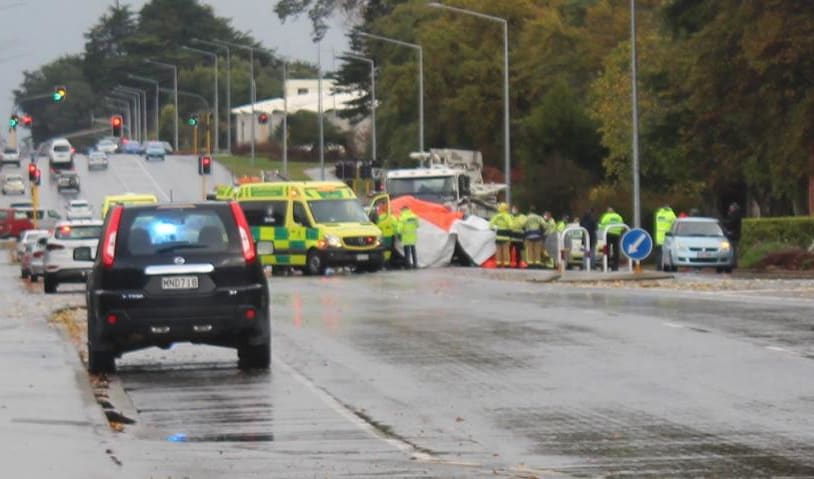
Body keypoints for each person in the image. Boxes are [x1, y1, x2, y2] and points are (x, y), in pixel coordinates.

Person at [489, 202, 513, 268]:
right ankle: (506, 264)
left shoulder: (496, 216)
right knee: (506, 251)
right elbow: (511, 226)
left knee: (498, 251)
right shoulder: (508, 216)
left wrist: (495, 229)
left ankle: (498, 263)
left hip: (498, 237)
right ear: (506, 209)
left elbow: (490, 225)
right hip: (506, 237)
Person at [653, 205, 677, 271]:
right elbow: (675, 224)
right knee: (669, 254)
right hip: (668, 237)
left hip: (659, 237)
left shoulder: (658, 214)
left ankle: (659, 268)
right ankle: (669, 268)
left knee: (659, 254)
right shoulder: (671, 214)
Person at [721, 202, 742, 268]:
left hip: (733, 234)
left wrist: (725, 223)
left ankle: (733, 263)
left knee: (732, 249)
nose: (730, 208)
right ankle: (733, 262)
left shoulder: (735, 215)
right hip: (734, 234)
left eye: (731, 207)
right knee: (733, 249)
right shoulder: (735, 215)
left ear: (734, 208)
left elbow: (731, 224)